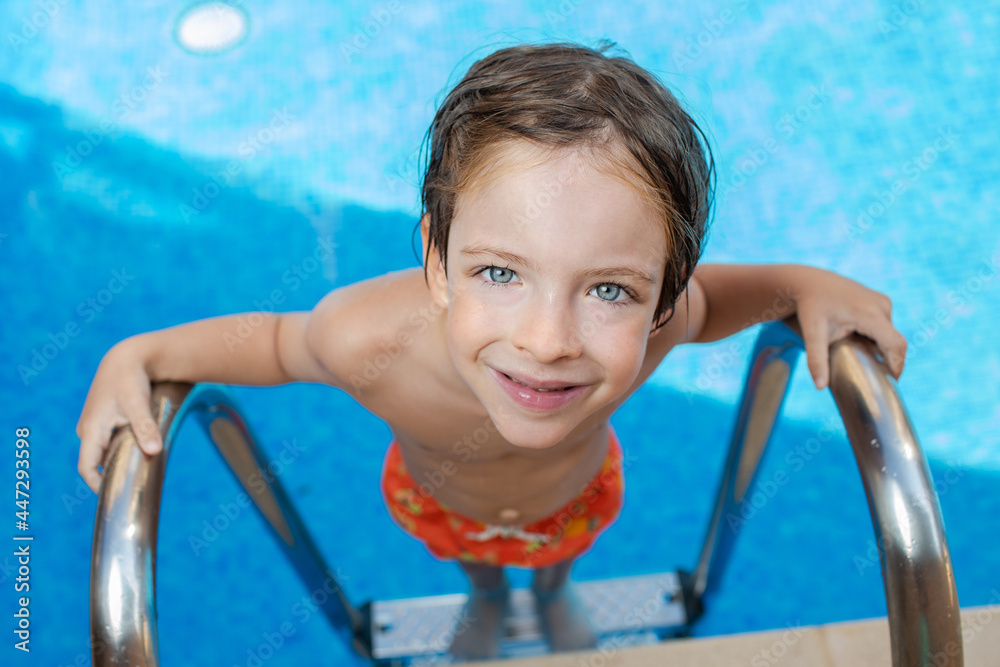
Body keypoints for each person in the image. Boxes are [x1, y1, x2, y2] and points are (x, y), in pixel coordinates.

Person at [76, 42, 907, 659]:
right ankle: (485, 602)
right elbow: (276, 342)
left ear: (662, 294)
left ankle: (551, 598)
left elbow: (721, 300)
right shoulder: (371, 340)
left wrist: (804, 286)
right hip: (437, 501)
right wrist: (138, 354)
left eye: (609, 289)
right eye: (501, 272)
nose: (547, 341)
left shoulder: (663, 323)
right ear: (438, 262)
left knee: (558, 566)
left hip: (574, 499)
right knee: (474, 567)